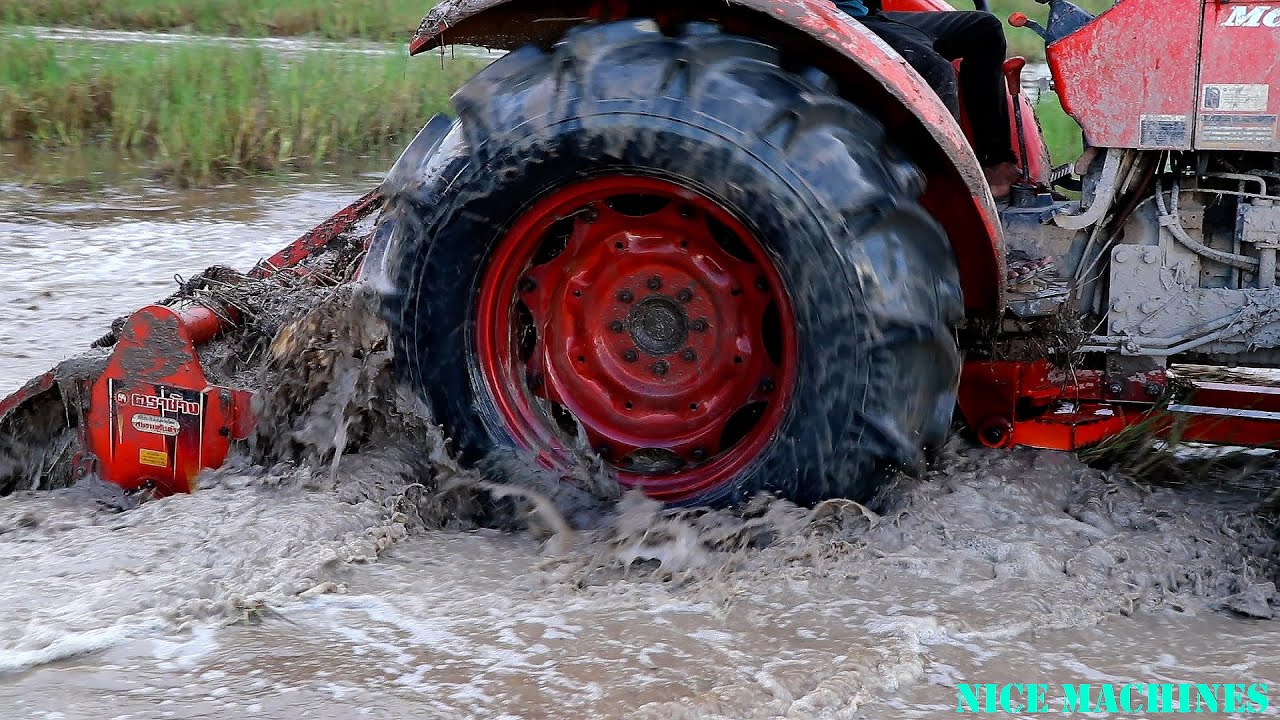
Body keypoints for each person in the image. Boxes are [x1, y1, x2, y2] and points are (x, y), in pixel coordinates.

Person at [835, 0, 1022, 199]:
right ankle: (950, 192)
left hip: (866, 16)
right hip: (835, 19)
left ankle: (996, 164)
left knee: (986, 29)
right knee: (935, 70)